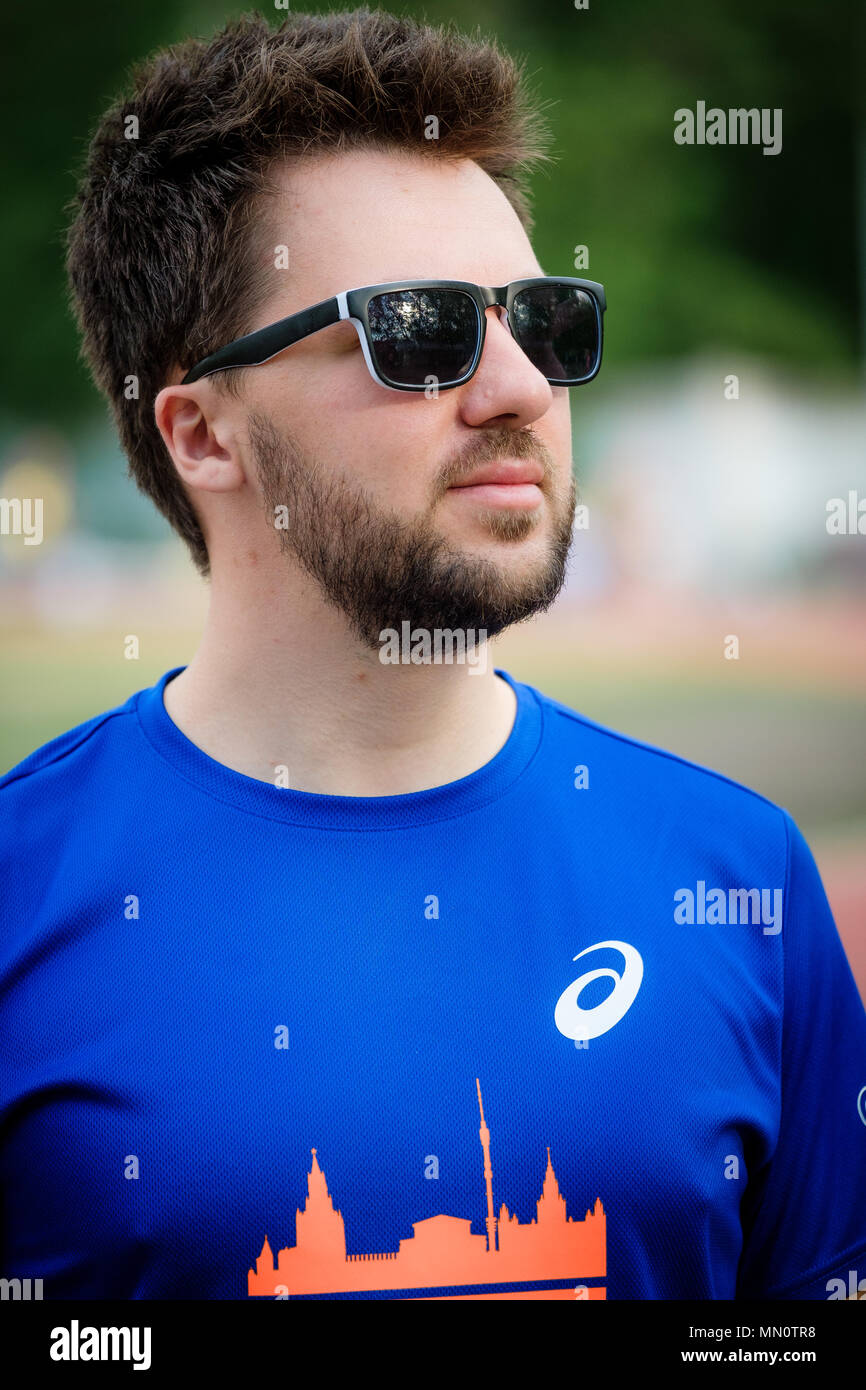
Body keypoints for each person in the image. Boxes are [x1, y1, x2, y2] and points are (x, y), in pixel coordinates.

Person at [1, 7, 864, 1302]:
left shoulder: (741, 879)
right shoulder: (26, 893)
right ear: (199, 433)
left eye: (543, 321)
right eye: (417, 327)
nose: (520, 385)